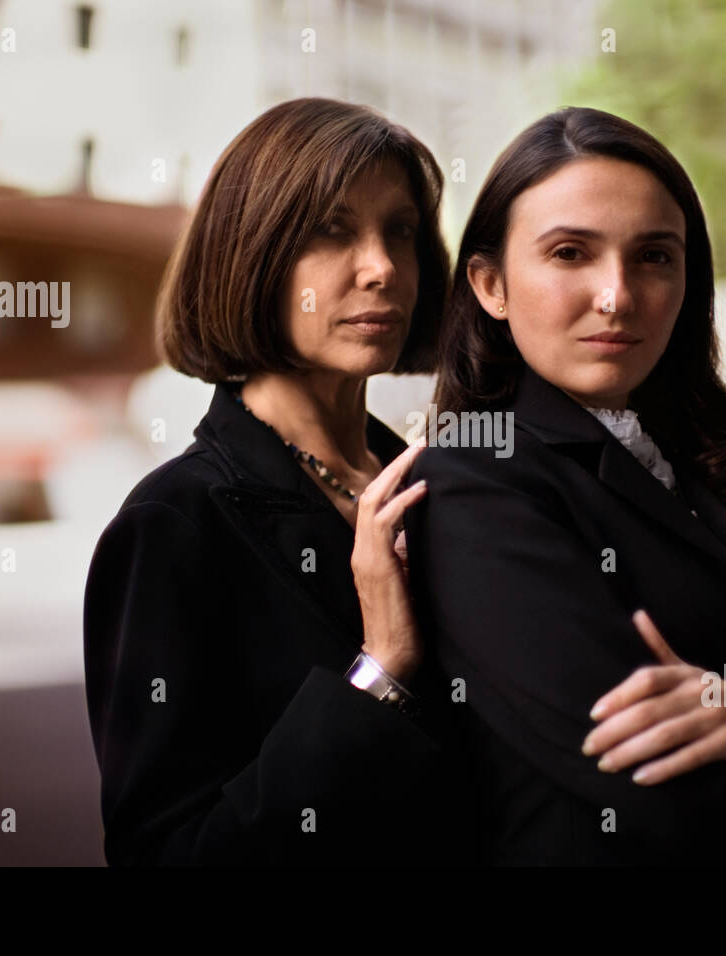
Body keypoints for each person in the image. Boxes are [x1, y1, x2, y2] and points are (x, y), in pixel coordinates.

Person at [403, 106, 726, 865]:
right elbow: (661, 793)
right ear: (490, 284)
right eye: (570, 253)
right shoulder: (472, 480)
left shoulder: (689, 470)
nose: (617, 295)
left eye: (654, 257)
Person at [83, 98, 471, 865]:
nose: (382, 267)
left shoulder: (448, 488)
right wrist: (379, 672)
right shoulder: (173, 525)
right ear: (251, 253)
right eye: (333, 230)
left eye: (400, 230)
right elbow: (168, 854)